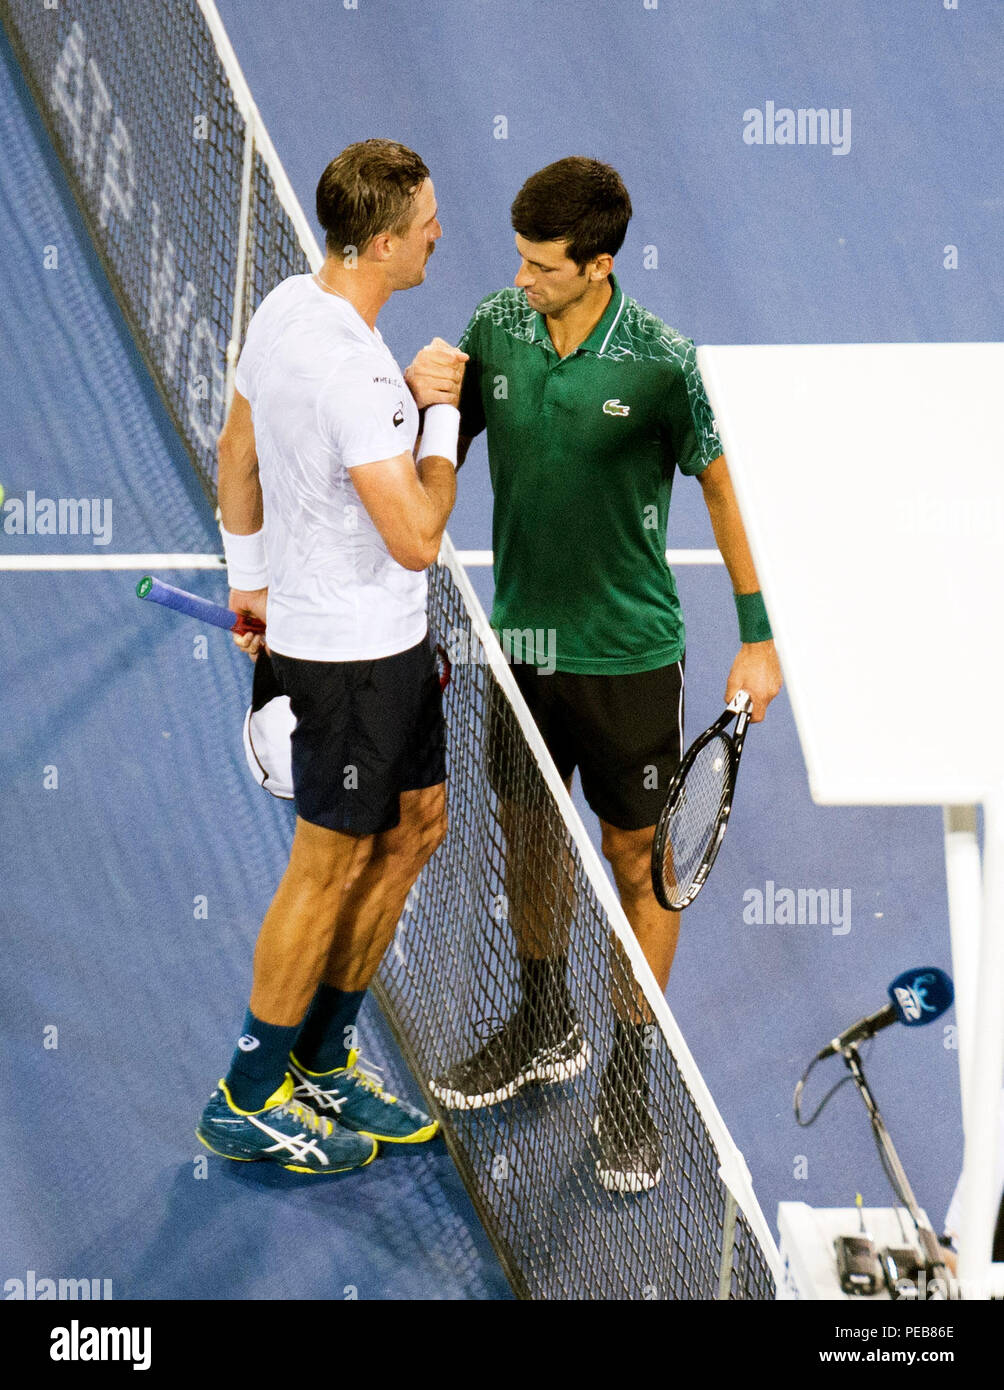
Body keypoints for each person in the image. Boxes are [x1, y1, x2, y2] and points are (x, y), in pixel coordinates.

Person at [406, 157, 782, 1193]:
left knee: (636, 866)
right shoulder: (496, 328)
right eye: (517, 260)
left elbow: (721, 487)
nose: (519, 279)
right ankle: (542, 1014)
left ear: (597, 264)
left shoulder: (661, 363)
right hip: (522, 647)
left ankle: (626, 1075)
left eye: (541, 266)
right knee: (529, 831)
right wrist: (414, 398)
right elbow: (431, 462)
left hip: (626, 658)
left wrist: (755, 634)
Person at [196, 139, 464, 1174]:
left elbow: (238, 450)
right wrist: (437, 412)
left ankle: (322, 1055)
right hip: (348, 670)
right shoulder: (361, 379)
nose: (440, 231)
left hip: (374, 646)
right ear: (386, 240)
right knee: (326, 867)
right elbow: (419, 537)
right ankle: (246, 1093)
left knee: (413, 830)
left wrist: (247, 578)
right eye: (428, 220)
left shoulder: (284, 308)